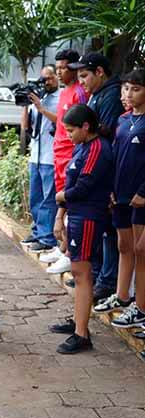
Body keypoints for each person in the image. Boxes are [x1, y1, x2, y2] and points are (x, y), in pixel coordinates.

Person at [51, 105, 114, 353]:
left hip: (89, 216)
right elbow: (71, 182)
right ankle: (79, 322)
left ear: (85, 127)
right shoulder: (83, 146)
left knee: (82, 273)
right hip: (77, 214)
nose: (68, 135)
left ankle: (82, 334)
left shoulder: (98, 148)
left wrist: (61, 197)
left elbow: (83, 187)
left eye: (71, 130)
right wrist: (61, 212)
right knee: (78, 273)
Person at [72, 51, 124, 303]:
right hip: (94, 166)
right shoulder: (97, 94)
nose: (81, 81)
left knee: (109, 231)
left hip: (105, 169)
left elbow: (107, 132)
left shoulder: (111, 95)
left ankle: (107, 280)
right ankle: (96, 274)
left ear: (100, 72)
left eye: (84, 75)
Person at [95, 70, 145, 328]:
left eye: (136, 88)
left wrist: (143, 192)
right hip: (120, 196)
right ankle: (122, 296)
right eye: (126, 88)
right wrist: (110, 188)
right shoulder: (123, 120)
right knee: (124, 247)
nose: (129, 93)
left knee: (141, 251)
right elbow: (115, 156)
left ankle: (141, 308)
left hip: (140, 199)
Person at [41, 49, 89, 276]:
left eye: (64, 68)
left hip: (71, 154)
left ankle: (69, 253)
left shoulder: (79, 92)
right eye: (58, 68)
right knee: (61, 200)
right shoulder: (64, 92)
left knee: (69, 202)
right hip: (58, 153)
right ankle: (62, 248)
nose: (60, 72)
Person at [21, 65, 60, 253]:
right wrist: (25, 105)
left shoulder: (60, 97)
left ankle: (47, 237)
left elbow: (62, 121)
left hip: (50, 156)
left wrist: (41, 108)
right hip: (36, 154)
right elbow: (25, 126)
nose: (47, 82)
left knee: (48, 199)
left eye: (50, 78)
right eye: (43, 79)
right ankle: (38, 232)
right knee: (35, 198)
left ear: (56, 77)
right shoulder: (39, 97)